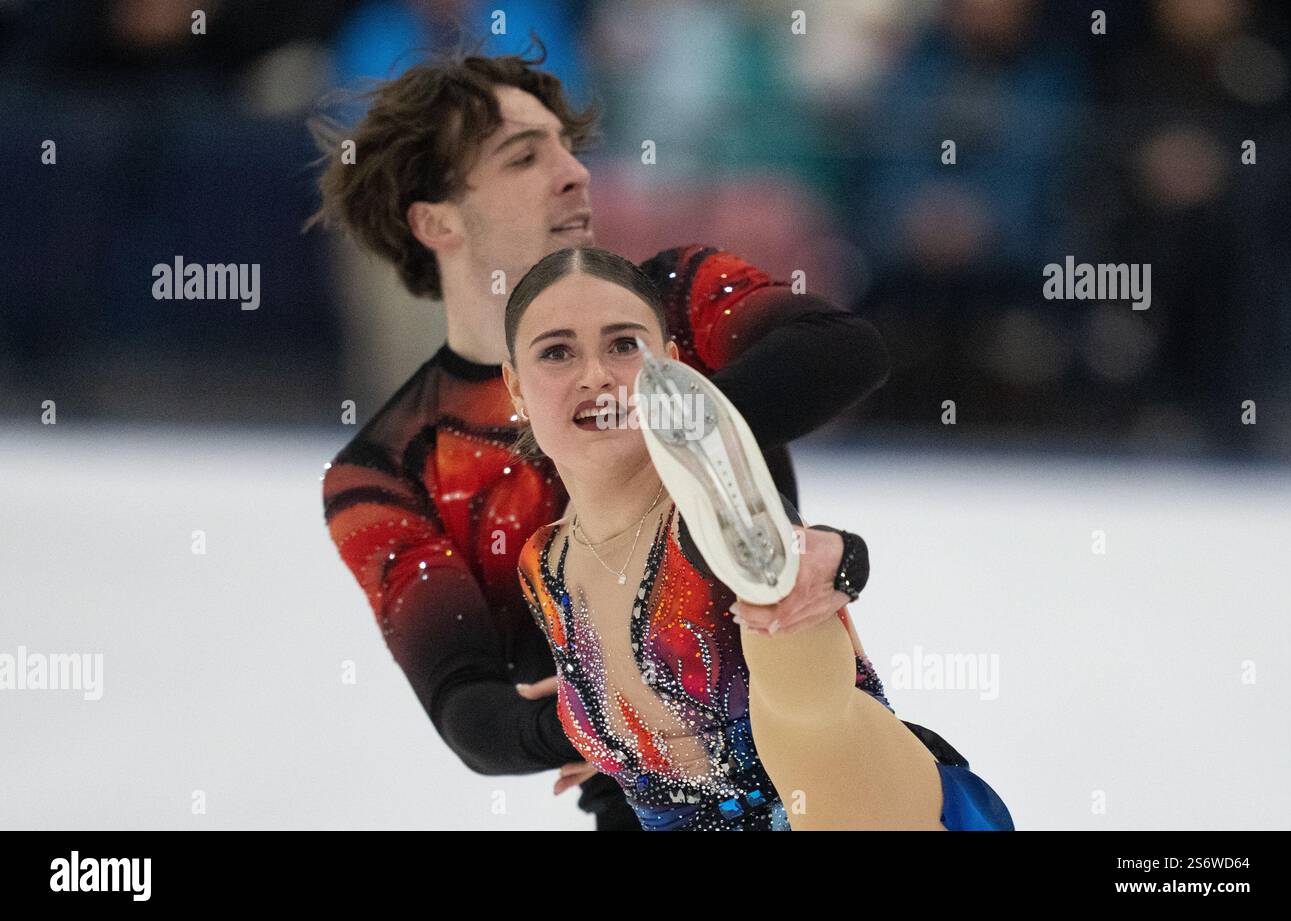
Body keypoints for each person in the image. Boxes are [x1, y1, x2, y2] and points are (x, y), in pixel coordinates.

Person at [310, 41, 899, 830]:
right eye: (525, 157)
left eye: (568, 146)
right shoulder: (391, 469)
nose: (576, 172)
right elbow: (471, 712)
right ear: (434, 219)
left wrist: (687, 430)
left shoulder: (671, 302)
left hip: (817, 739)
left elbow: (845, 349)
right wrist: (607, 709)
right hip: (649, 805)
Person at [506, 246, 1015, 830]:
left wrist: (836, 557)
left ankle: (770, 572)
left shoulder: (696, 528)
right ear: (516, 387)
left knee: (792, 682)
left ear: (673, 367)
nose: (595, 375)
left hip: (861, 796)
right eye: (557, 352)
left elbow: (850, 349)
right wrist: (609, 737)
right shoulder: (543, 565)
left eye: (624, 346)